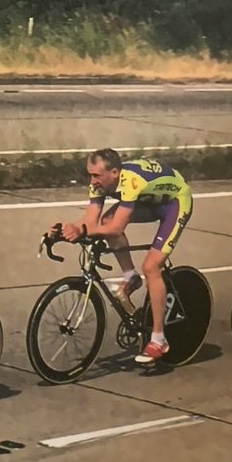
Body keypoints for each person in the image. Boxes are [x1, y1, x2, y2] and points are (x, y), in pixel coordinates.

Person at [53, 148, 193, 365]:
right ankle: (130, 277)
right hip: (151, 201)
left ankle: (159, 339)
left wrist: (83, 231)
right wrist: (64, 230)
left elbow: (117, 229)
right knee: (106, 221)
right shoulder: (99, 183)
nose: (92, 181)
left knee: (151, 267)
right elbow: (90, 221)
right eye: (90, 175)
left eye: (97, 175)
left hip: (175, 203)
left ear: (115, 173)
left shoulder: (131, 182)